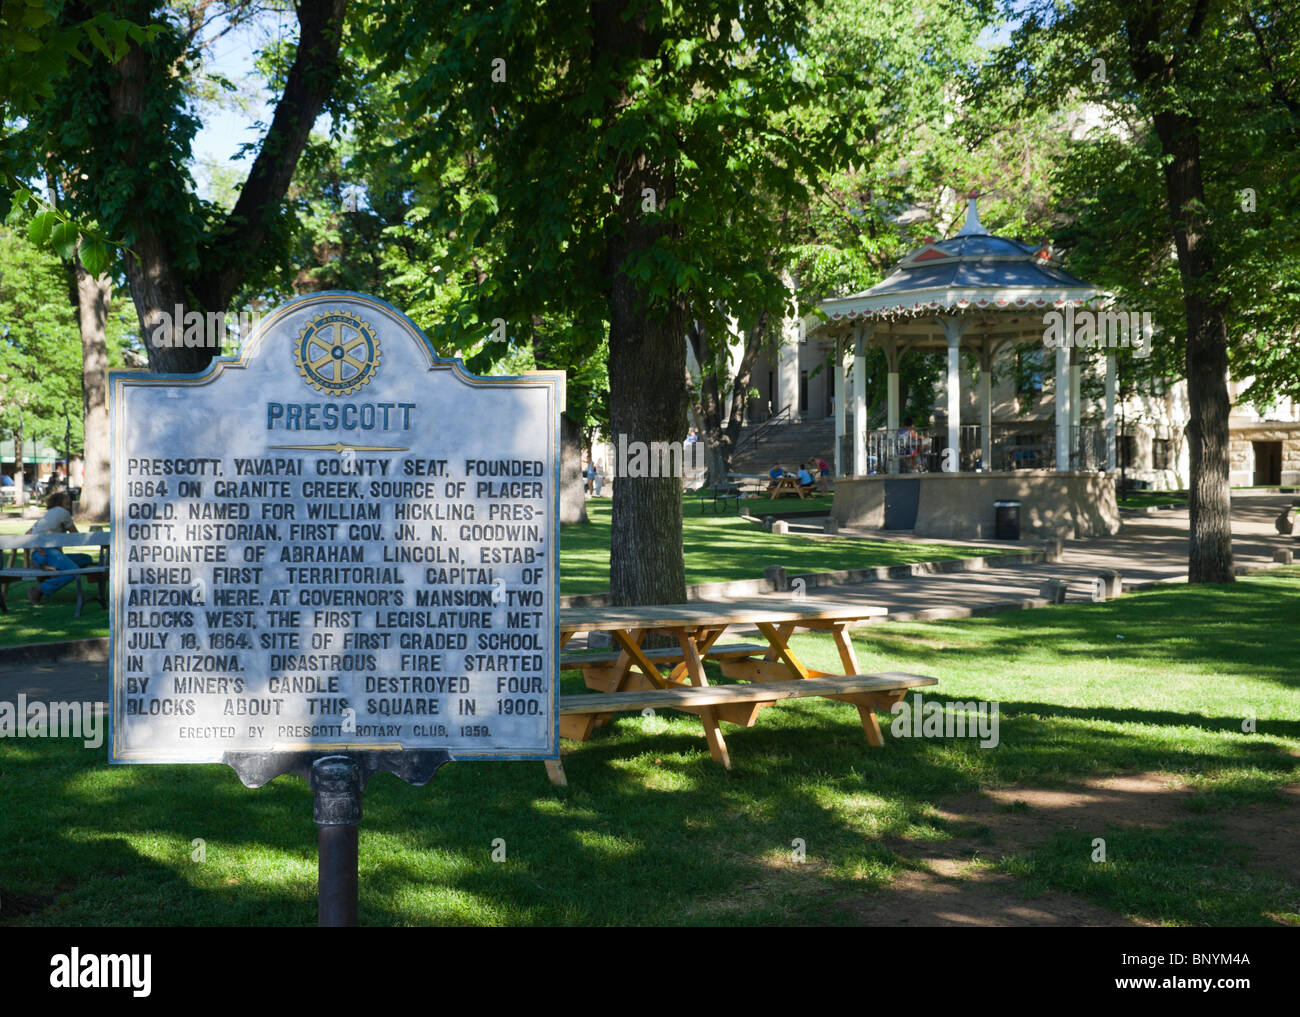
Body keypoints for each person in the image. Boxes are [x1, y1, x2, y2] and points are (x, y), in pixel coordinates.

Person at [25, 491, 92, 605]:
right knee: (73, 570)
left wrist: (35, 547)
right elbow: (76, 536)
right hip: (48, 553)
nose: (69, 506)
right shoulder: (62, 512)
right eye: (66, 503)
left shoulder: (46, 516)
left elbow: (27, 533)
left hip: (39, 555)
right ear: (59, 504)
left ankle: (50, 567)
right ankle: (38, 590)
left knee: (86, 559)